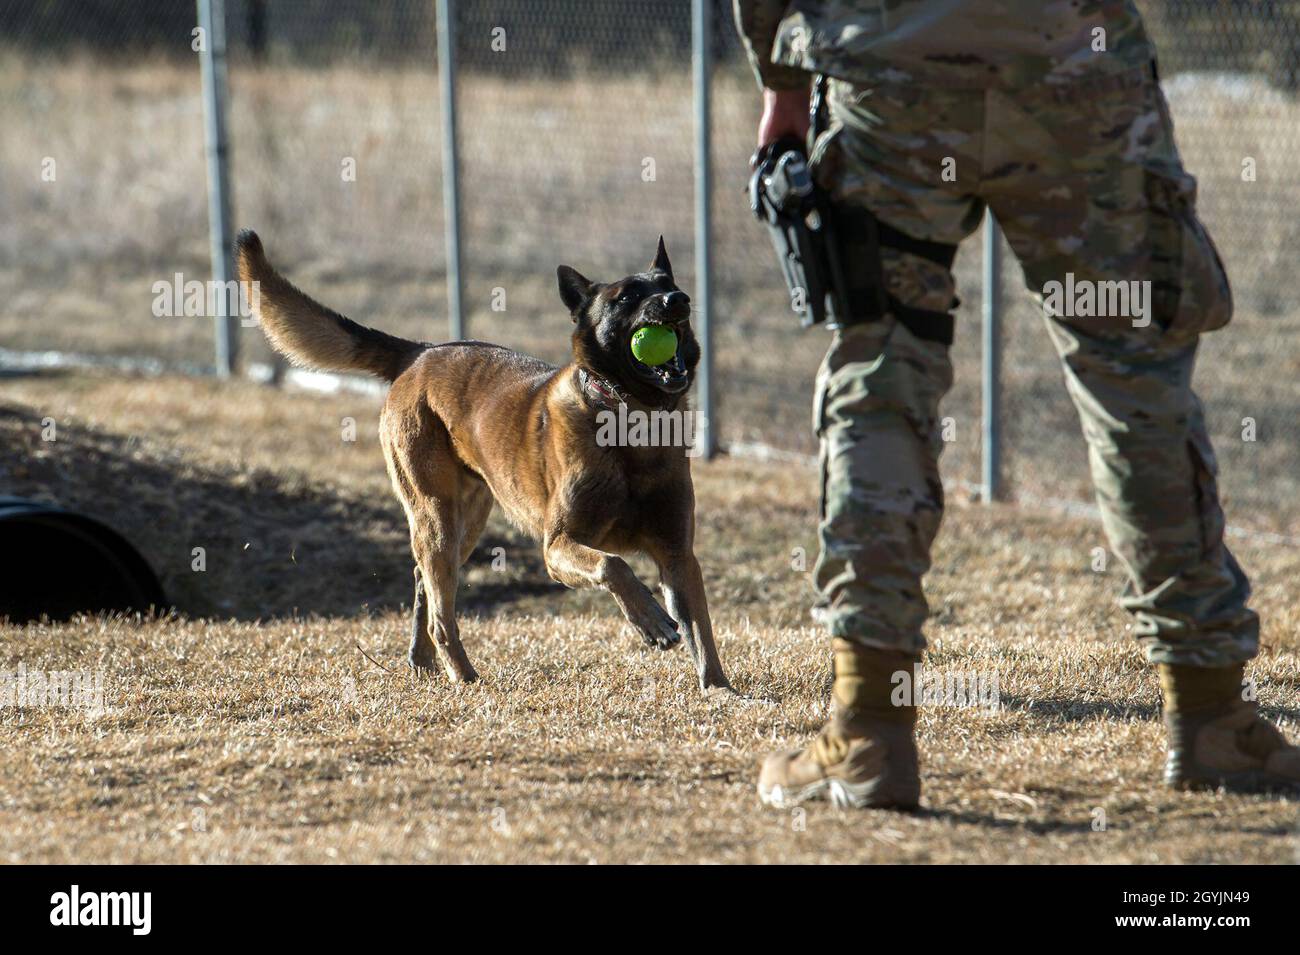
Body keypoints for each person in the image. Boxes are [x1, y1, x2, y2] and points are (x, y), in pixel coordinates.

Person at [734, 0, 1300, 808]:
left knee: (883, 372)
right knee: (1134, 381)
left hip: (890, 63)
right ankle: (1211, 715)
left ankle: (867, 728)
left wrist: (782, 83)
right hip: (1072, 63)